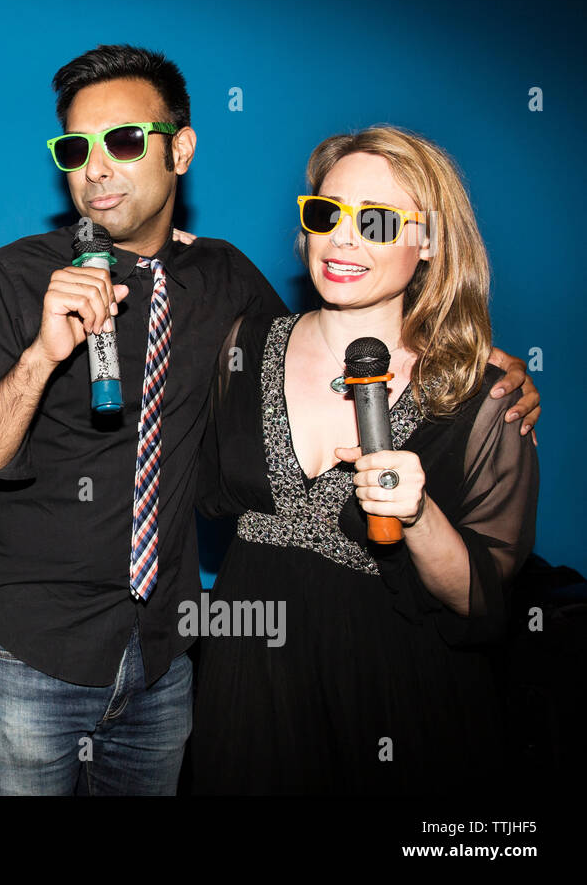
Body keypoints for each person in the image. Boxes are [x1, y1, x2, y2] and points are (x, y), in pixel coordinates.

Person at [0, 45, 538, 796]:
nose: (96, 168)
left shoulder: (227, 284)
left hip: (165, 666)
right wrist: (38, 360)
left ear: (180, 148)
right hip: (30, 654)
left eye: (123, 141)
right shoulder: (13, 278)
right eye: (75, 148)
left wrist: (488, 365)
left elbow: (328, 347)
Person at [190, 126, 539, 795]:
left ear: (430, 241)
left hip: (397, 694)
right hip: (247, 690)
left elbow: (480, 603)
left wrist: (419, 512)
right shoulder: (247, 341)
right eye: (326, 214)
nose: (343, 239)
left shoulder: (481, 396)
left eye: (377, 222)